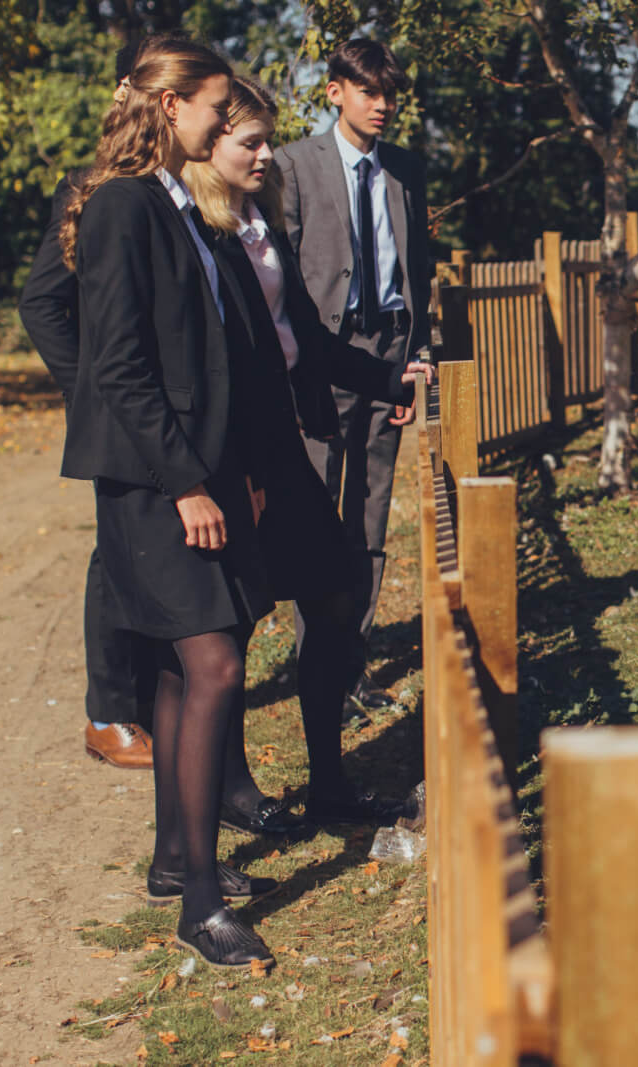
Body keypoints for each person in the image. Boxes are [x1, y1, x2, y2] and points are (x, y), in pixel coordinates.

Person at [57, 35, 274, 970]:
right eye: (216, 109)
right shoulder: (120, 206)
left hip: (200, 469)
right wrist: (183, 480)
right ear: (170, 106)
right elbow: (117, 361)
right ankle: (198, 901)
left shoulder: (183, 200)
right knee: (215, 665)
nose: (227, 125)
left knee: (190, 674)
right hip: (154, 482)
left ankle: (172, 859)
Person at [183, 76, 432, 826]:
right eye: (251, 143)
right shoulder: (198, 229)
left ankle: (330, 784)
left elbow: (303, 340)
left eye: (266, 140)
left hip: (279, 448)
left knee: (332, 596)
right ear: (210, 145)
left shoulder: (258, 219)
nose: (267, 155)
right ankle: (232, 795)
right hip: (232, 457)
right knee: (229, 631)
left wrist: (389, 374)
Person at [274, 38, 431, 713]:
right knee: (318, 516)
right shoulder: (292, 166)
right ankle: (316, 665)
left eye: (391, 92)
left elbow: (417, 275)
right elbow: (276, 276)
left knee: (368, 517)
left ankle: (351, 669)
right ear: (334, 90)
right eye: (370, 91)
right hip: (324, 359)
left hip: (389, 355)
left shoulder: (406, 172)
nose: (383, 104)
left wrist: (415, 358)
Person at [19, 46, 157, 771]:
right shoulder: (90, 188)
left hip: (167, 410)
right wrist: (88, 389)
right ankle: (108, 714)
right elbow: (41, 302)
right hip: (117, 407)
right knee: (114, 559)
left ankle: (148, 700)